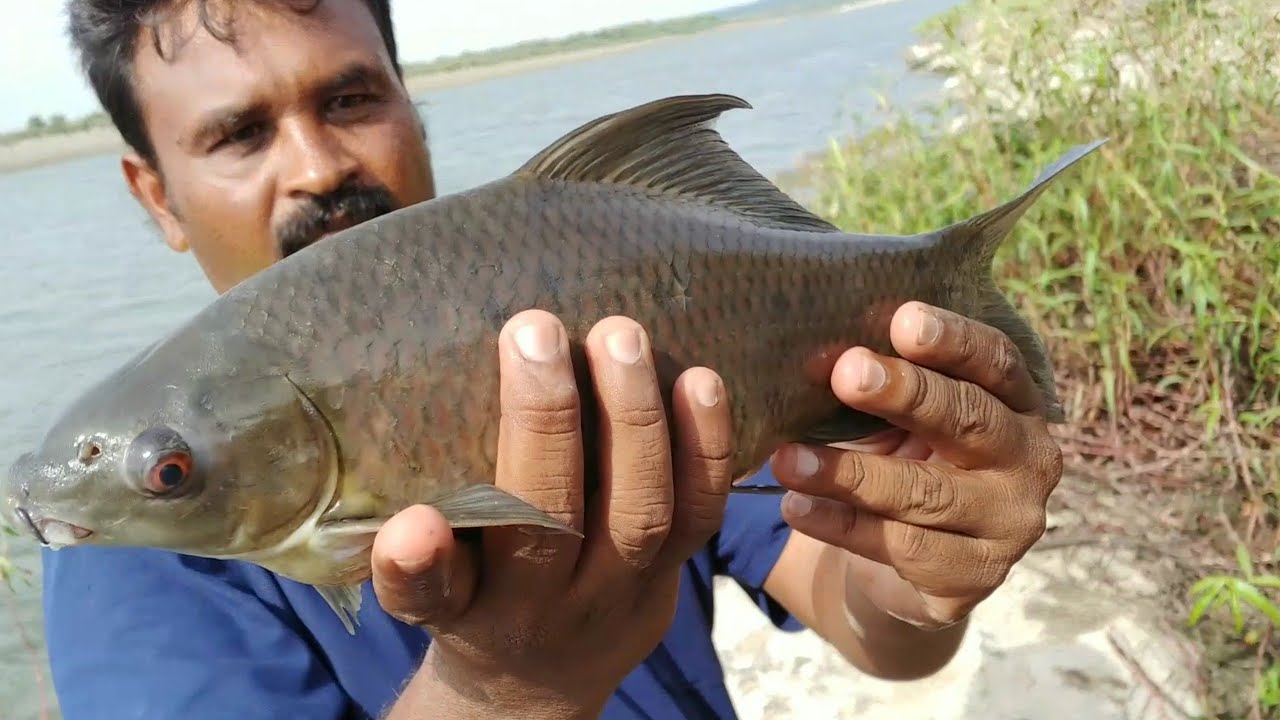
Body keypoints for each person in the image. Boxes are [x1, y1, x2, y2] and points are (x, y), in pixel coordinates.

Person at [39, 1, 1065, 718]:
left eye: (349, 100)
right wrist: (512, 692)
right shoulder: (141, 559)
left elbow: (868, 624)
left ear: (409, 97)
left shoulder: (575, 314)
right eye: (238, 134)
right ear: (155, 194)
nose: (318, 166)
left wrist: (926, 579)